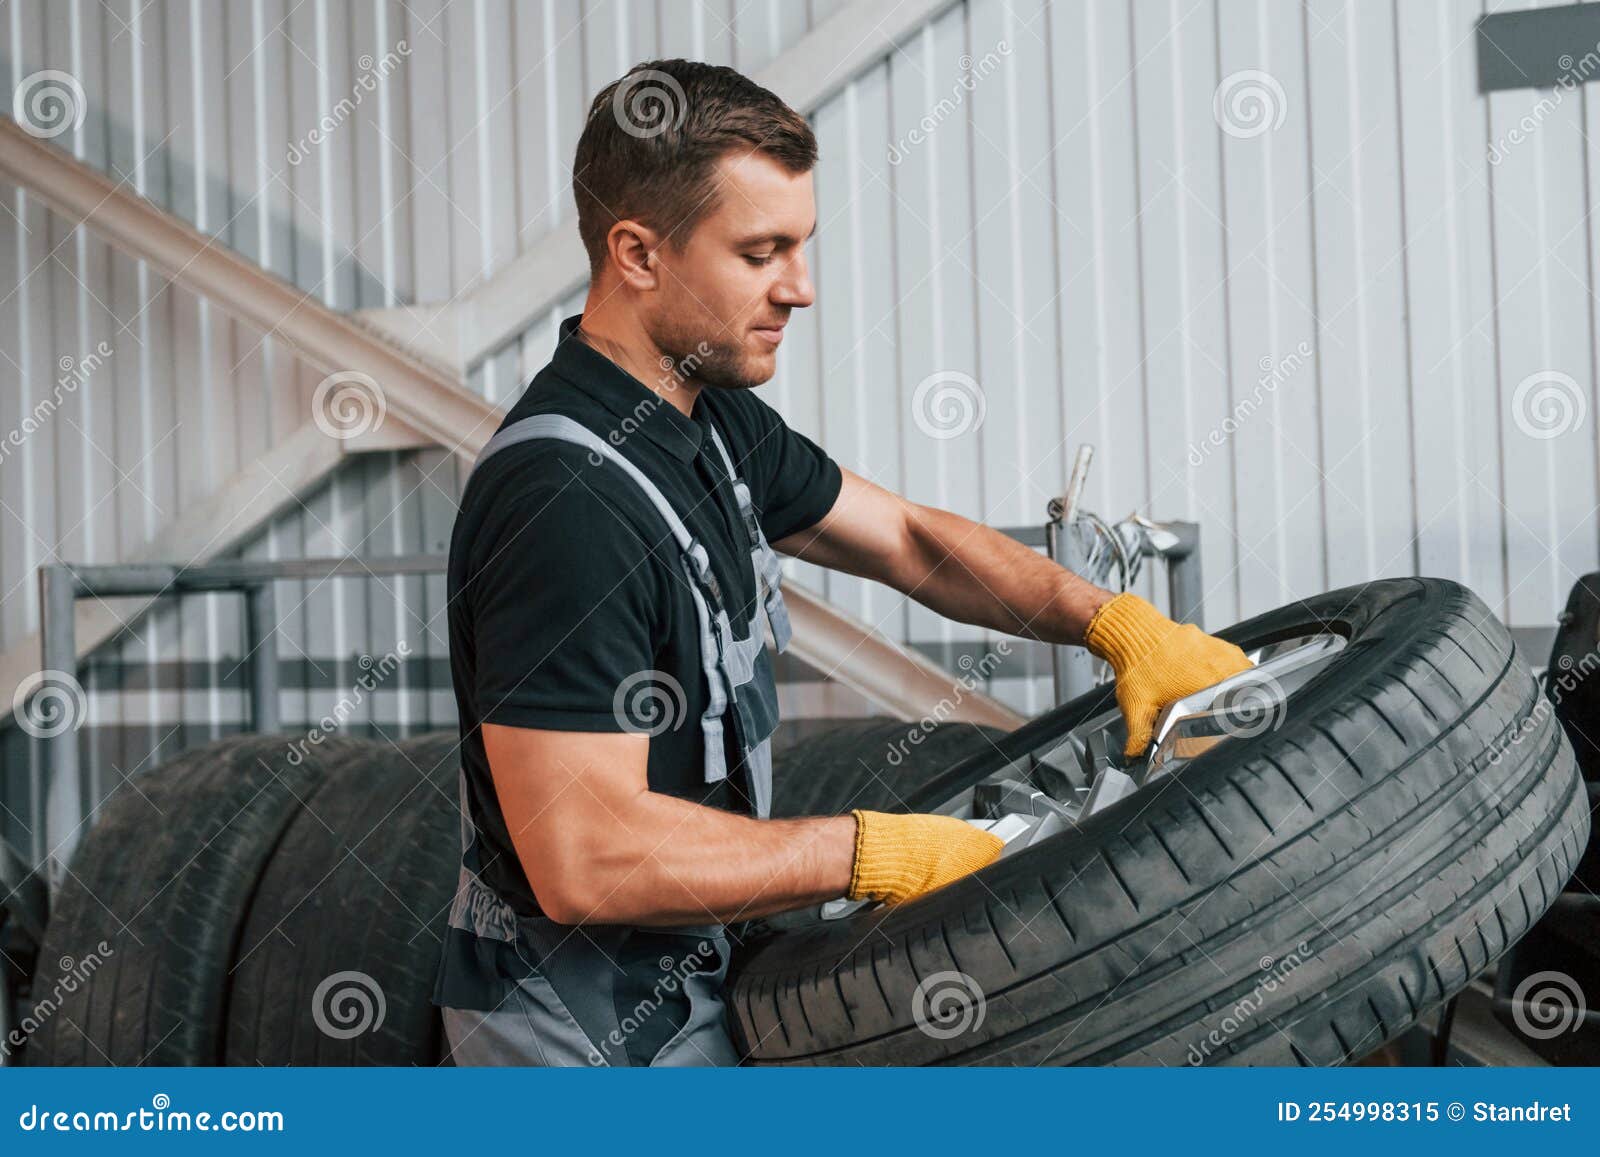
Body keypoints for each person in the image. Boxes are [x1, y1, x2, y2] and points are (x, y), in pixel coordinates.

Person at [433, 58, 1253, 1067]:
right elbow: (585, 855)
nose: (800, 288)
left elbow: (908, 539)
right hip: (579, 1027)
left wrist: (1113, 624)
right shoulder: (564, 499)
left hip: (697, 971)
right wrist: (875, 850)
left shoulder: (713, 420)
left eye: (801, 246)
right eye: (760, 251)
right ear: (637, 253)